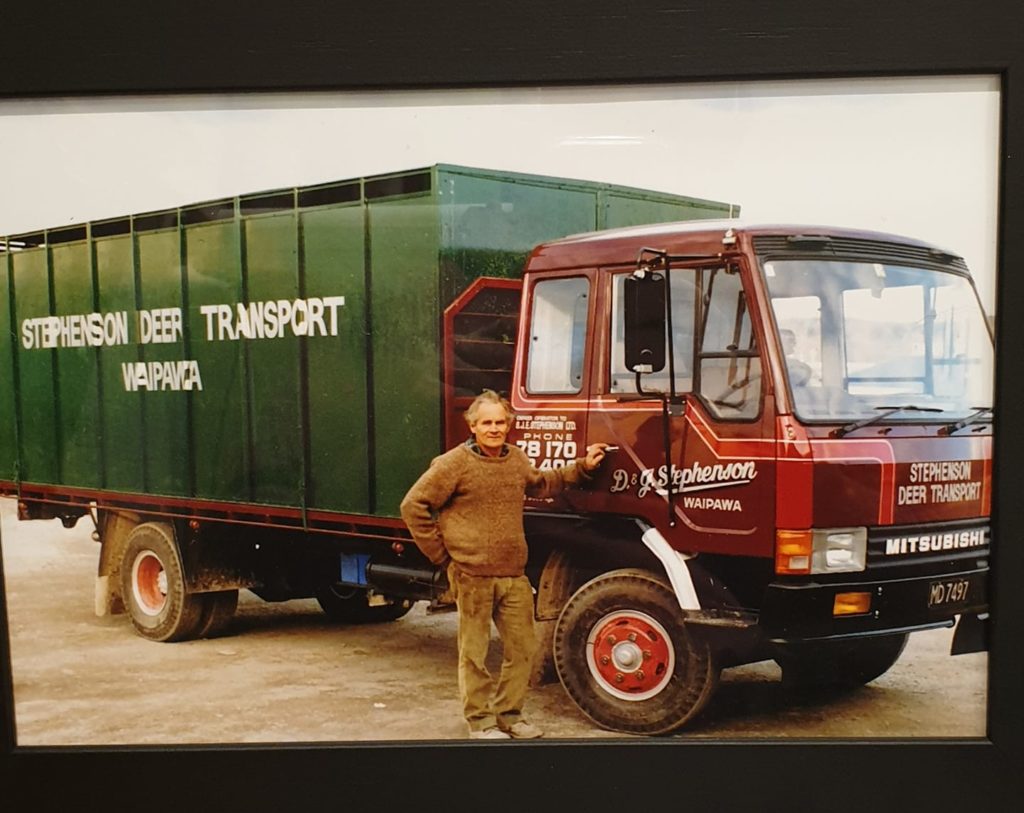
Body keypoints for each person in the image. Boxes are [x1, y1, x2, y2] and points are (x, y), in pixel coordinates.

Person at [400, 389, 608, 740]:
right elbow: (413, 506)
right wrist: (443, 556)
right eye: (487, 423)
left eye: (500, 422)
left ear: (508, 425)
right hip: (472, 576)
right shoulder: (453, 464)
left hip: (513, 575)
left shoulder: (515, 460)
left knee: (522, 650)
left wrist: (583, 468)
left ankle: (511, 716)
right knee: (475, 654)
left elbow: (543, 483)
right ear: (473, 426)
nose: (494, 428)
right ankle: (480, 721)